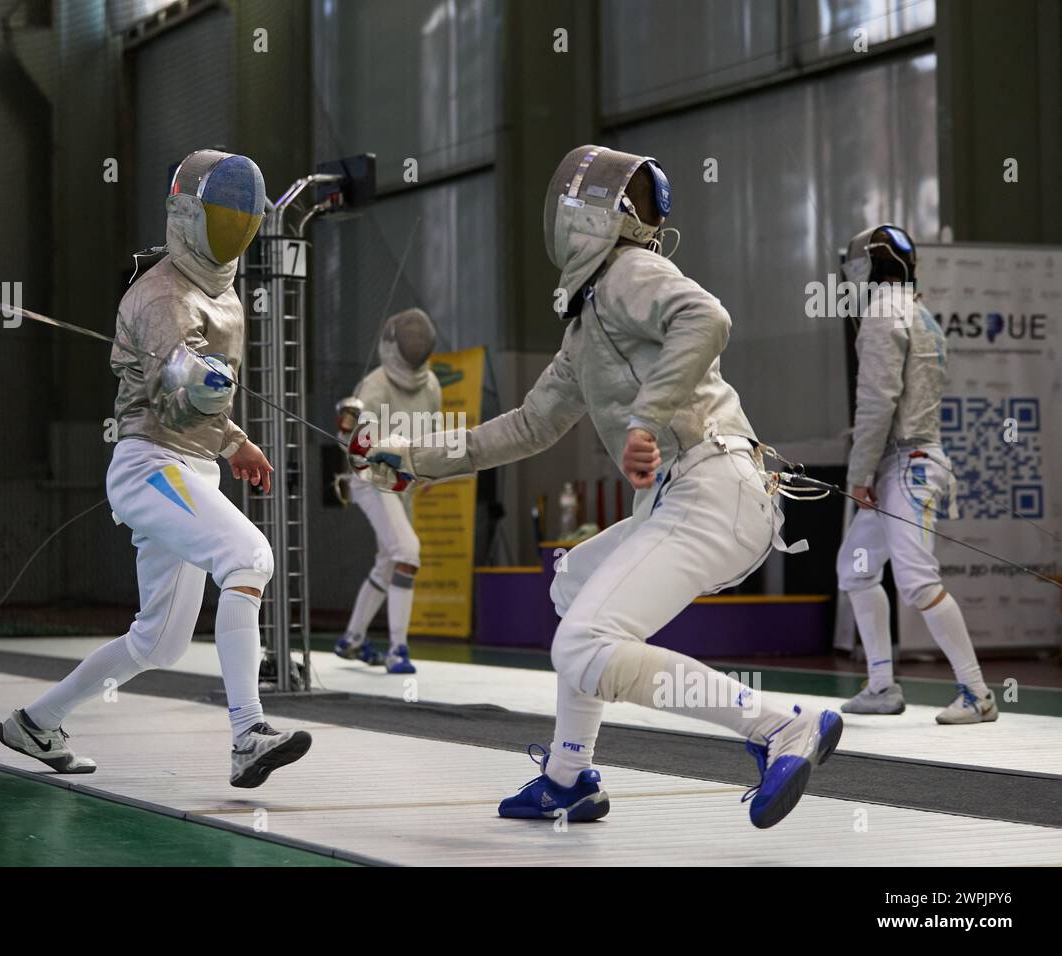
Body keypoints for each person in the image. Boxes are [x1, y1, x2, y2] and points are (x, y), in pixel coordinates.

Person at [352, 145, 841, 829]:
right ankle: (568, 777)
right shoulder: (585, 325)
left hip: (713, 484)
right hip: (689, 494)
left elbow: (708, 319)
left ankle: (780, 727)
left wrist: (646, 419)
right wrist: (412, 457)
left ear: (594, 218)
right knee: (573, 585)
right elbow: (526, 427)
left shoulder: (631, 272)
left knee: (581, 643)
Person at [0, 149, 312, 787]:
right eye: (224, 217)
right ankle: (248, 733)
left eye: (242, 220)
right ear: (187, 216)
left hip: (190, 468)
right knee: (250, 557)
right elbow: (173, 400)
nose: (235, 230)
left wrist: (231, 438)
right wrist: (198, 387)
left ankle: (34, 722)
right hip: (151, 467)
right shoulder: (161, 297)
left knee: (159, 642)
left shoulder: (222, 296)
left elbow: (199, 401)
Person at [836, 224, 997, 724]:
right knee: (857, 569)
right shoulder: (919, 312)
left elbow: (877, 403)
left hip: (905, 469)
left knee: (916, 580)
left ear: (867, 267)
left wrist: (858, 473)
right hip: (903, 466)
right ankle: (882, 684)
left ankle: (978, 694)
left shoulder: (883, 312)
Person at [333, 309, 442, 674]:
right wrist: (354, 434)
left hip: (403, 482)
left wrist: (429, 468)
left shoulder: (431, 387)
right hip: (370, 481)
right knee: (408, 552)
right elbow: (352, 443)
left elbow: (432, 436)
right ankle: (398, 649)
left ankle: (352, 639)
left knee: (389, 560)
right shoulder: (374, 386)